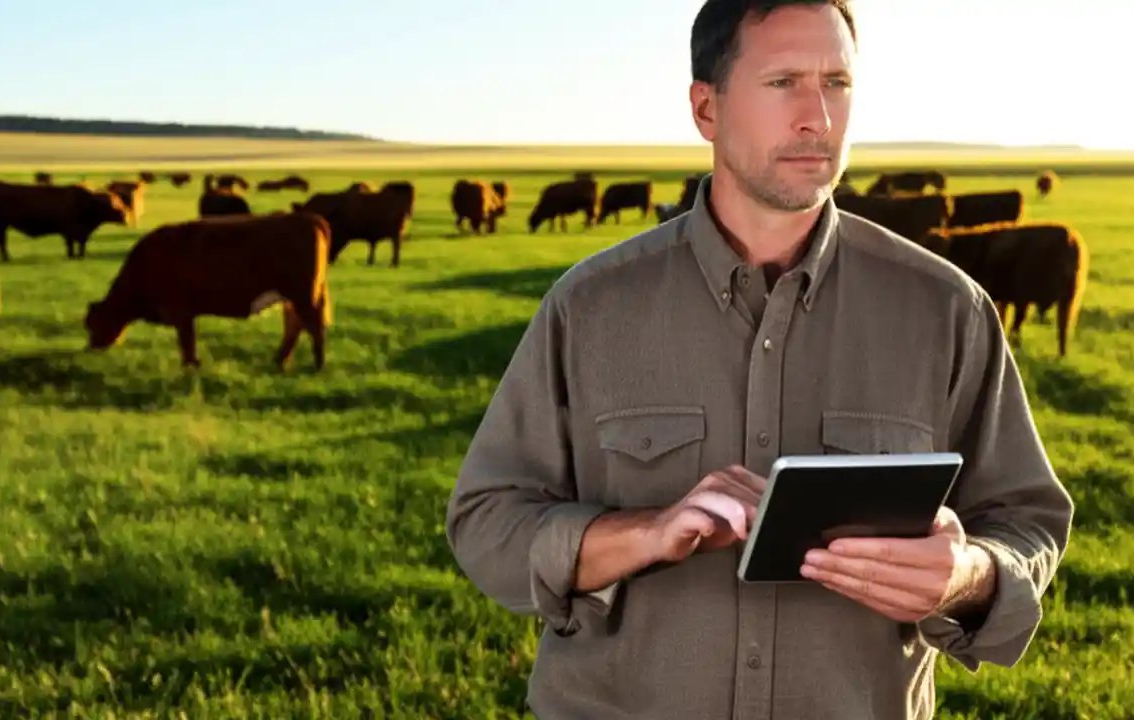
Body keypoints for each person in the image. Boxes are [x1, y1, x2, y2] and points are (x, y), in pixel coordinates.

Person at [444, 1, 1074, 718]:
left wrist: (966, 575)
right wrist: (644, 533)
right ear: (705, 109)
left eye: (837, 83)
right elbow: (487, 521)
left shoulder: (947, 308)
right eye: (783, 84)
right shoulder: (589, 307)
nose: (819, 118)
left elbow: (1026, 518)